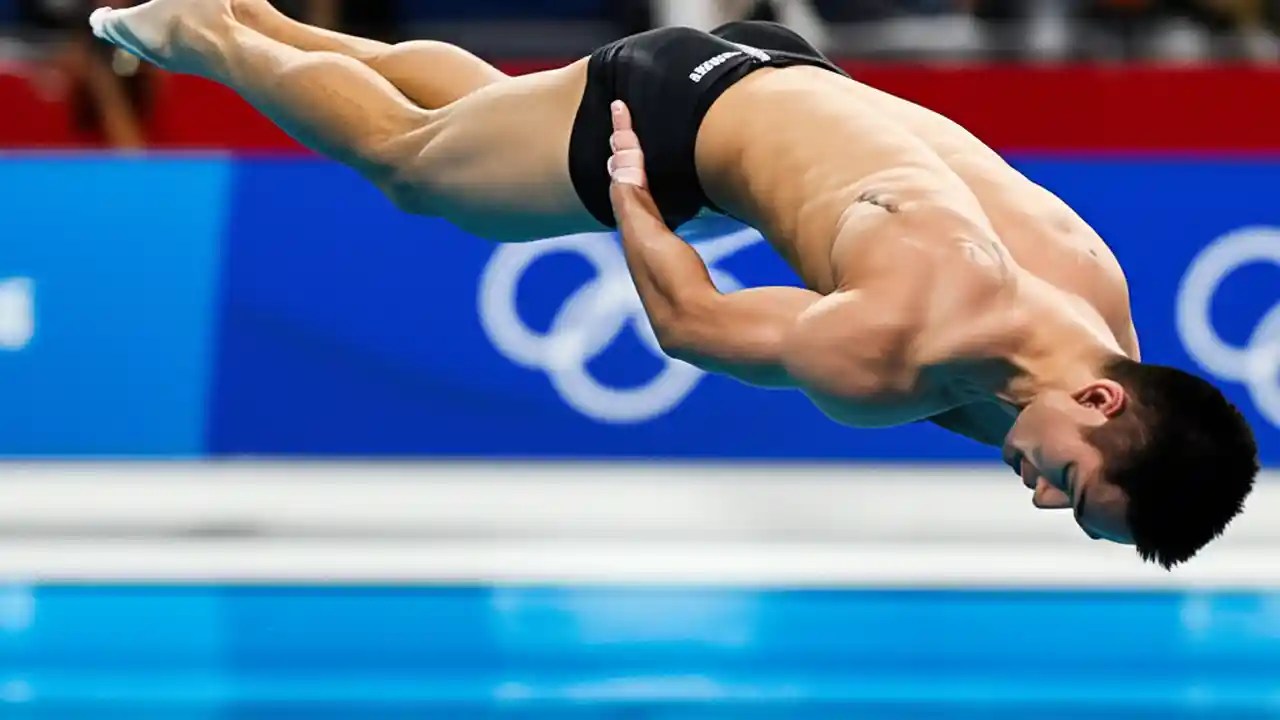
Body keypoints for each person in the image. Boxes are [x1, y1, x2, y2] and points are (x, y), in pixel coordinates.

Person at [88, 0, 1259, 568]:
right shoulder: (898, 350)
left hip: (787, 84)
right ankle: (205, 37)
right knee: (413, 172)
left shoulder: (1098, 315)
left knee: (471, 114)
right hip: (685, 116)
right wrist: (631, 192)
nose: (1042, 500)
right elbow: (690, 322)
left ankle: (258, 14)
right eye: (1066, 484)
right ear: (1105, 407)